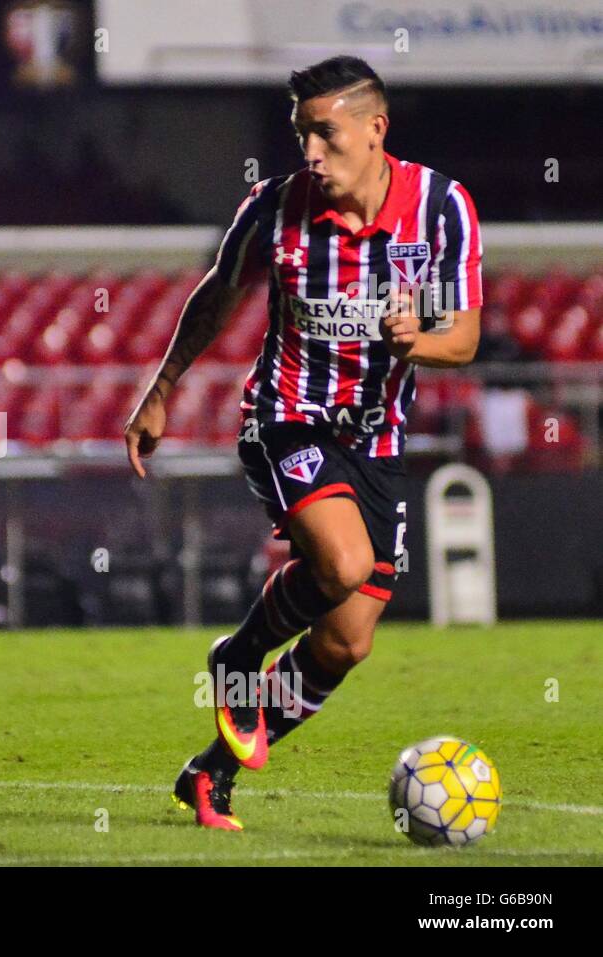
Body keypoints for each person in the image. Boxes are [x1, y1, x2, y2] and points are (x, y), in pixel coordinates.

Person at [124, 56, 482, 831]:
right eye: (301, 135)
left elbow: (465, 340)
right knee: (343, 563)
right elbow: (217, 294)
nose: (311, 152)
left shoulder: (442, 209)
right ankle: (239, 657)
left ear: (375, 128)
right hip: (285, 416)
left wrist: (420, 339)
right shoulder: (276, 209)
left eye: (325, 133)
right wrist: (161, 389)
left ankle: (211, 773)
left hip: (377, 438)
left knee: (346, 642)